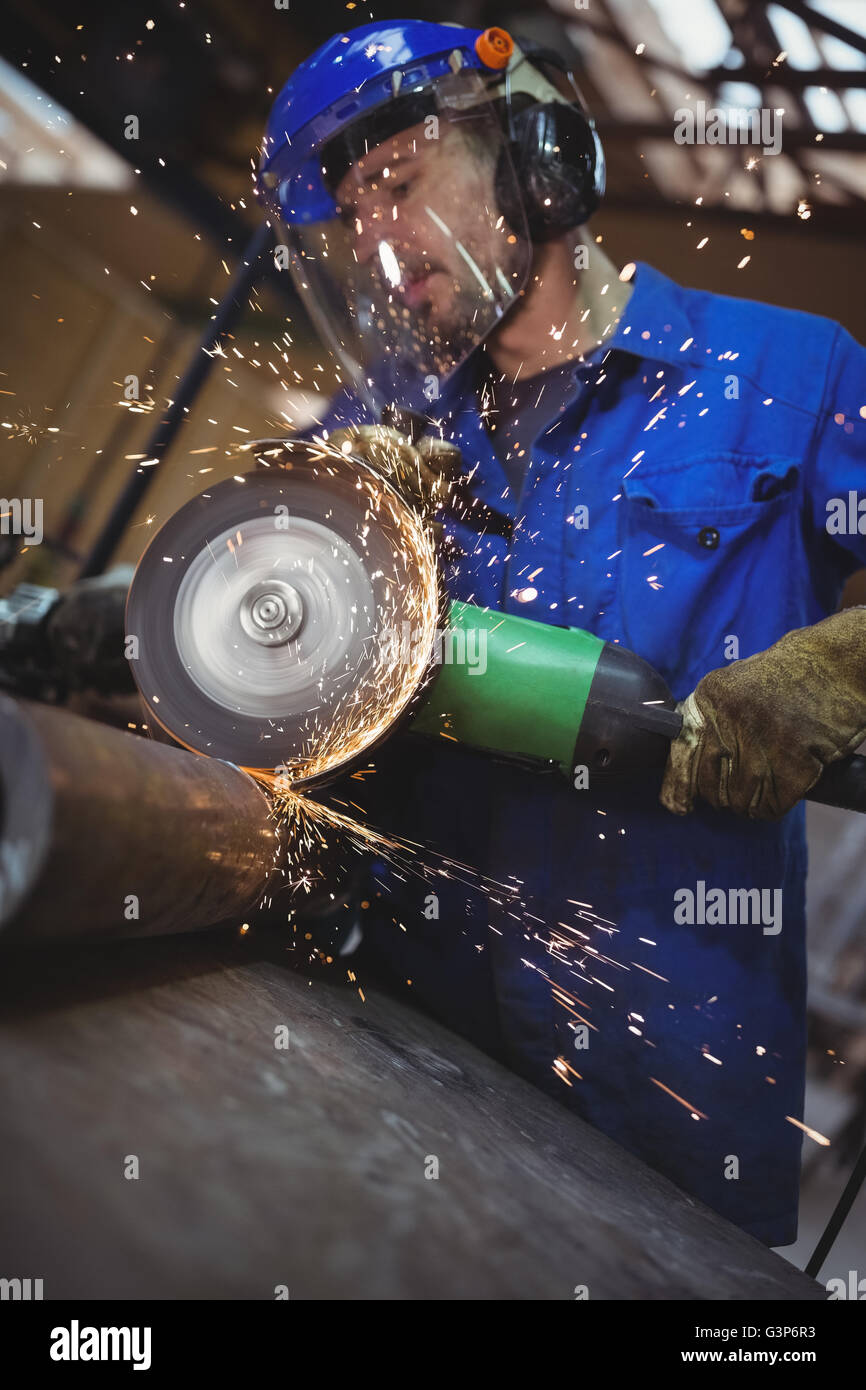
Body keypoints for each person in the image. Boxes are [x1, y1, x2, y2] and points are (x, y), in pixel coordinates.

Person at [257, 18, 866, 1245]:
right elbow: (232, 625)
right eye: (349, 215)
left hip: (666, 1089)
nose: (375, 240)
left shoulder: (787, 373)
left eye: (393, 182)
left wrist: (830, 674)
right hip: (398, 1039)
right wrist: (319, 529)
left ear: (533, 157)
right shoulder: (378, 419)